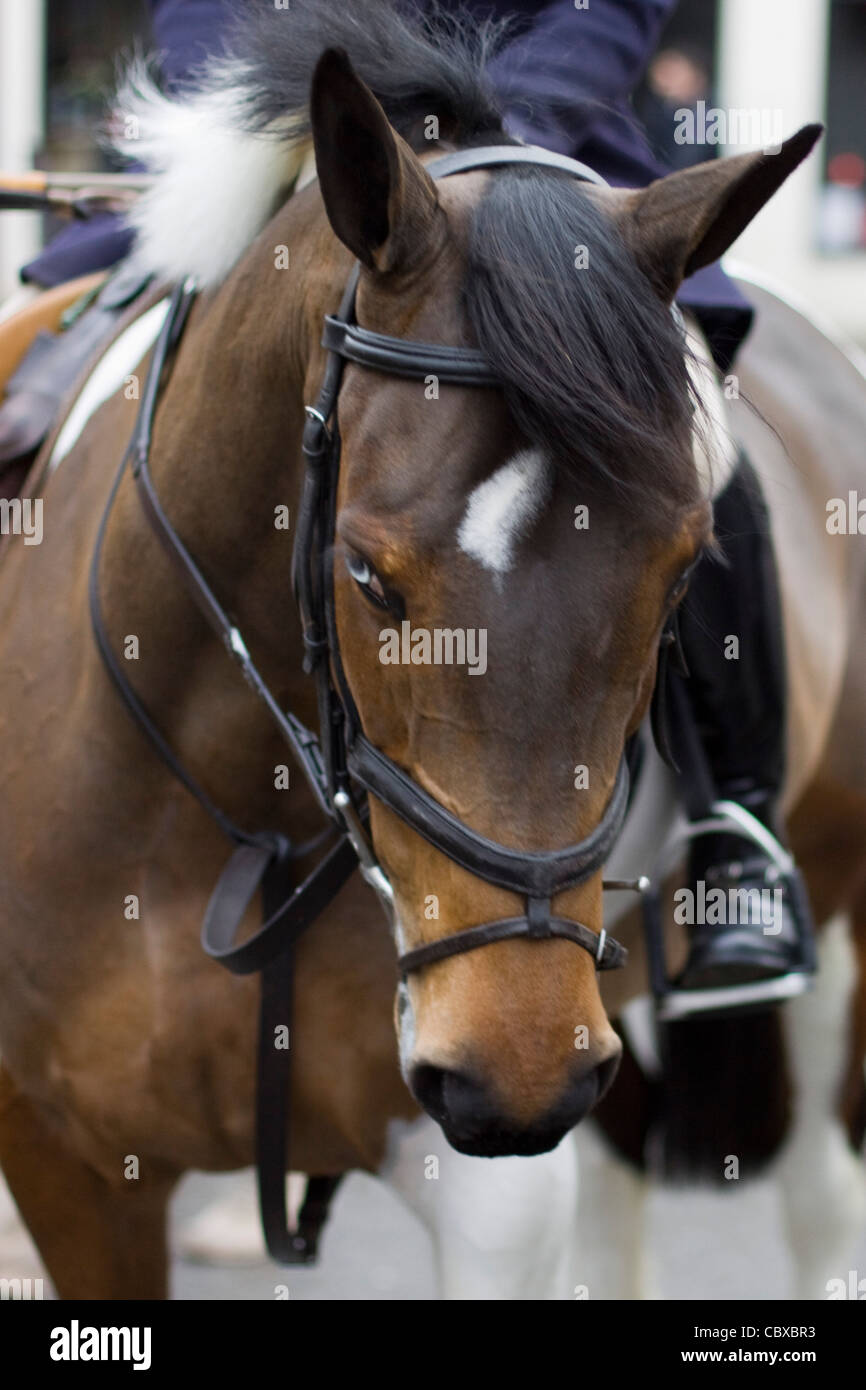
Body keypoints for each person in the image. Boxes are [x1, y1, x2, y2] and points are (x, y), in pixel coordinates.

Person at [4, 0, 816, 1010]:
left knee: (699, 429)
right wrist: (269, 111)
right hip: (282, 156)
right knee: (24, 386)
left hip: (531, 154)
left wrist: (478, 127)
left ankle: (734, 827)